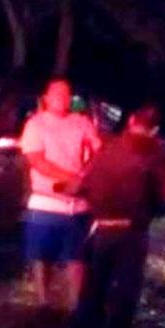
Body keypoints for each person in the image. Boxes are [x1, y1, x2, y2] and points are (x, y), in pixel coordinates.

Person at [68, 104, 165, 328]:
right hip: (132, 230)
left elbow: (85, 182)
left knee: (94, 282)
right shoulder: (154, 154)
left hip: (103, 226)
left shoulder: (106, 147)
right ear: (154, 130)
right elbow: (160, 193)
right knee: (126, 286)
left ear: (131, 121)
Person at [20, 79, 101, 312]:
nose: (62, 98)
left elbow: (98, 151)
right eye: (56, 94)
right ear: (46, 97)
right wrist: (70, 178)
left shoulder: (81, 123)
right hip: (45, 200)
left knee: (76, 257)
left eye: (66, 94)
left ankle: (76, 305)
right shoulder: (35, 125)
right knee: (40, 255)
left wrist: (85, 175)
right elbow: (36, 160)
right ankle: (43, 301)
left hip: (77, 204)